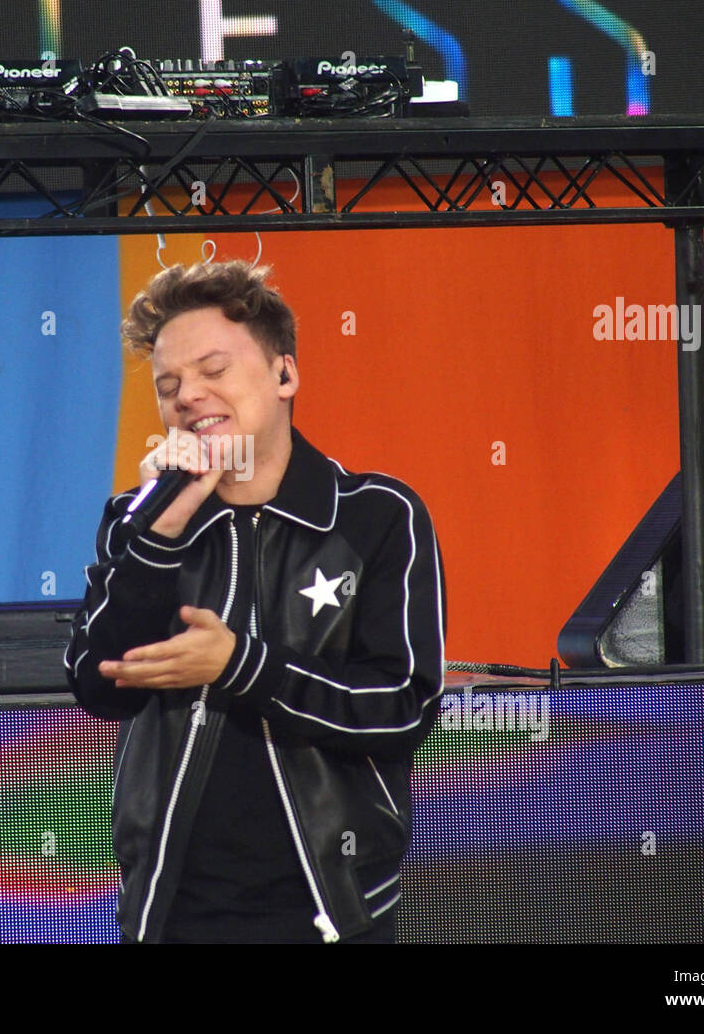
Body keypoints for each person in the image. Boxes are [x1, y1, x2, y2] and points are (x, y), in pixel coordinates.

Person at [64, 259, 445, 943]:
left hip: (332, 911)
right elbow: (97, 683)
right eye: (170, 384)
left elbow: (402, 706)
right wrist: (162, 532)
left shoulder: (375, 515)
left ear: (284, 376)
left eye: (214, 370)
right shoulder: (141, 518)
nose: (188, 396)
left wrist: (239, 664)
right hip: (169, 914)